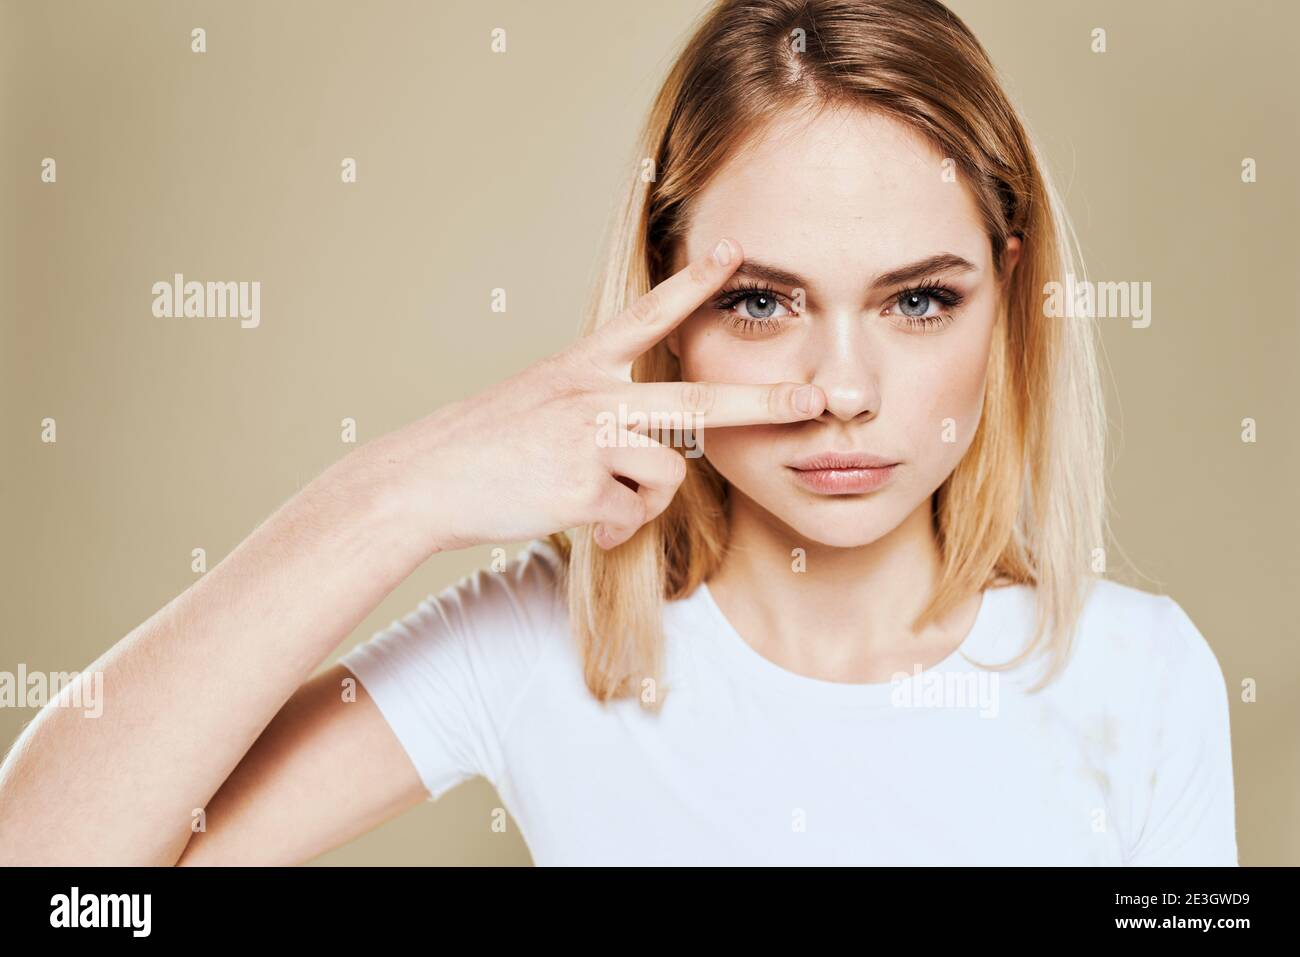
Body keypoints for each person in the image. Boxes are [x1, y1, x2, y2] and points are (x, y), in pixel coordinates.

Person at [0, 0, 1236, 866]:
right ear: (667, 307)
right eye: (762, 302)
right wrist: (400, 494)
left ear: (1008, 293)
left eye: (920, 301)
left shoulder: (1141, 678)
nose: (843, 390)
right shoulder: (538, 647)